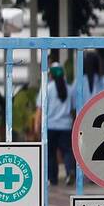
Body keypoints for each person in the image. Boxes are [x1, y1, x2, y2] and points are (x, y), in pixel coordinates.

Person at [34, 55, 76, 186]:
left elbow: (40, 108)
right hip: (66, 126)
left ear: (50, 75)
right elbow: (73, 108)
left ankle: (53, 179)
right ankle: (70, 172)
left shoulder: (46, 88)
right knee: (67, 151)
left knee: (50, 153)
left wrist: (37, 125)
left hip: (50, 126)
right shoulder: (69, 89)